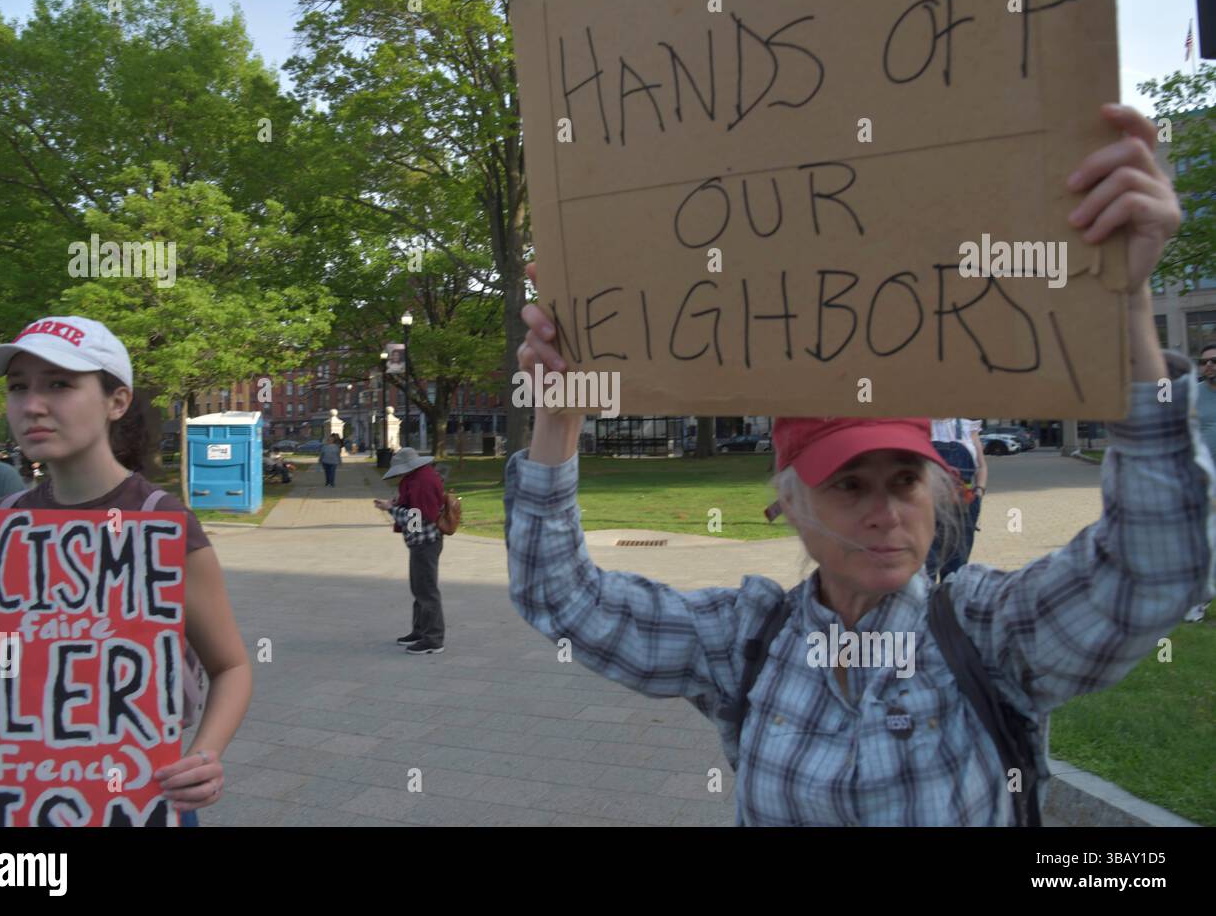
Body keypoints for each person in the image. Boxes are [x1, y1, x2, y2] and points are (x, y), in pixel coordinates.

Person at [505, 104, 1206, 825]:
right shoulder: (741, 642)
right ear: (789, 506)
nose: (887, 511)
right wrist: (559, 417)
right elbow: (565, 600)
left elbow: (1154, 569)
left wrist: (1122, 307)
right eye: (847, 483)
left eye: (905, 479)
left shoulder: (990, 633)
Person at [0, 315, 253, 826]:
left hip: (138, 796)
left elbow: (231, 666)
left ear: (116, 402)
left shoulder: (162, 523)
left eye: (59, 384)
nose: (32, 405)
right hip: (13, 791)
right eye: (17, 387)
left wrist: (205, 757)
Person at [374, 446, 447, 654]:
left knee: (426, 590)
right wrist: (395, 504)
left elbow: (417, 519)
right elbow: (416, 509)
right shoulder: (420, 477)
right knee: (420, 588)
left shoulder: (421, 482)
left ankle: (433, 639)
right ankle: (420, 631)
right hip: (424, 541)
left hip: (425, 542)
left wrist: (391, 509)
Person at [925, 417, 987, 581]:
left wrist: (979, 492)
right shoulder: (919, 425)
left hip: (963, 506)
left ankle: (948, 605)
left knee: (955, 571)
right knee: (925, 570)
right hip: (927, 507)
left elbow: (981, 466)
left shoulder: (968, 427)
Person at [1188, 342, 1216, 621]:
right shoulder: (1193, 394)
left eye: (1214, 361)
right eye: (1205, 361)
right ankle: (1199, 600)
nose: (1209, 365)